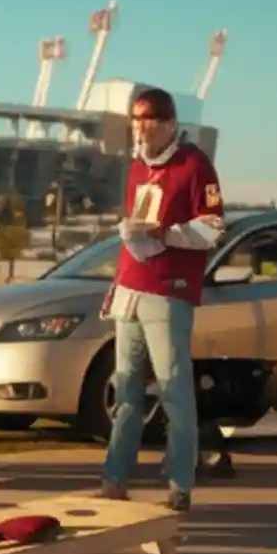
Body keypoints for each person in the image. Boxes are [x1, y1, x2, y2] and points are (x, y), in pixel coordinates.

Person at [99, 88, 226, 513]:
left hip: (168, 291)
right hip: (131, 288)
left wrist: (165, 235)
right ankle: (115, 478)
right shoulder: (136, 167)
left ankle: (179, 482)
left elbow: (212, 229)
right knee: (126, 390)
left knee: (174, 388)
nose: (141, 125)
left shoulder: (194, 164)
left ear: (170, 123)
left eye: (150, 118)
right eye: (136, 117)